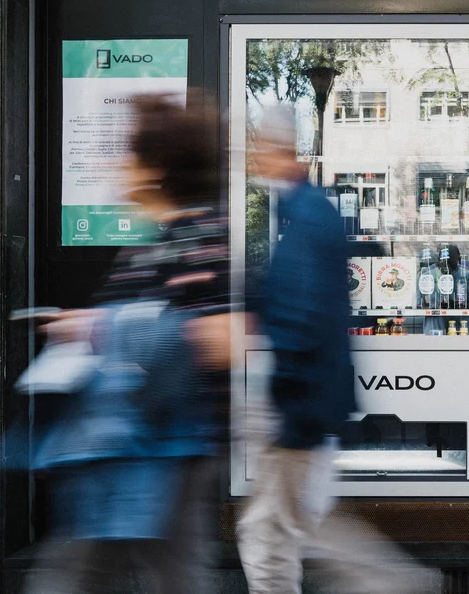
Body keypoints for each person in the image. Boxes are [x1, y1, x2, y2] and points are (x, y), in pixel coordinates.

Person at [22, 91, 229, 594]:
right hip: (132, 441)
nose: (118, 165)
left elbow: (222, 338)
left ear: (156, 167)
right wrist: (91, 324)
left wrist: (101, 327)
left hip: (161, 445)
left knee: (81, 573)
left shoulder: (198, 236)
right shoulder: (153, 241)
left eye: (128, 154)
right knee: (151, 574)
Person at [238, 104, 436, 594]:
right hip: (311, 399)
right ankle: (396, 582)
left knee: (268, 533)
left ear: (282, 152)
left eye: (260, 148)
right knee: (308, 519)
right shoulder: (306, 211)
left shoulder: (306, 216)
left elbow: (301, 317)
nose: (255, 159)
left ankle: (396, 584)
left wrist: (283, 401)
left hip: (300, 402)